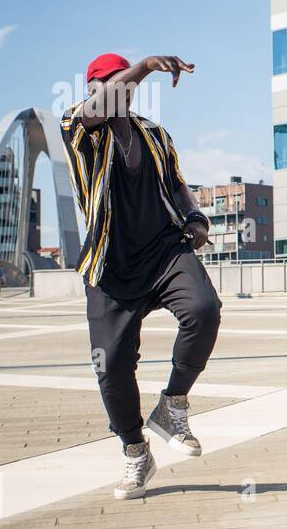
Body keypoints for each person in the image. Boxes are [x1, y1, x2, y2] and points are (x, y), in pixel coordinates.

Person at [60, 53, 221, 500]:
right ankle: (136, 451)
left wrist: (196, 218)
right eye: (109, 84)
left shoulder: (153, 133)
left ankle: (173, 405)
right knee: (110, 365)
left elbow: (175, 184)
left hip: (164, 251)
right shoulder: (78, 127)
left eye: (125, 83)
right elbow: (98, 108)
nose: (119, 91)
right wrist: (147, 65)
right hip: (110, 266)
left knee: (204, 309)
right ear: (92, 90)